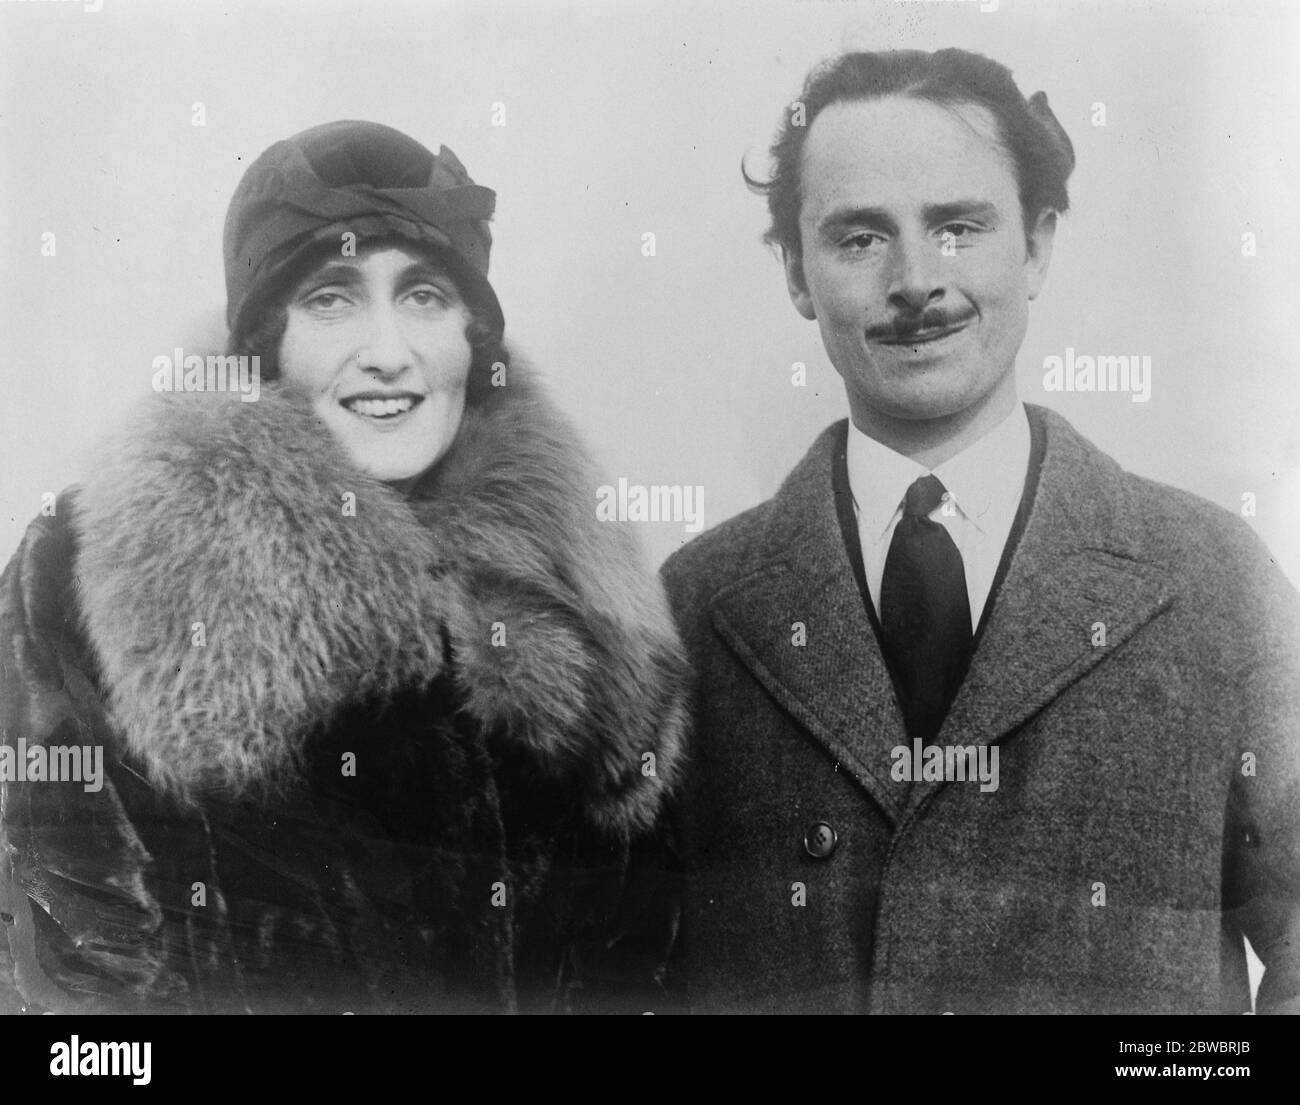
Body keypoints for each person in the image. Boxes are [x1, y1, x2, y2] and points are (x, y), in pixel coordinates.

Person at [660, 49, 1300, 1014]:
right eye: (860, 237)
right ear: (797, 272)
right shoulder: (694, 603)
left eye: (959, 227)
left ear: (1037, 247)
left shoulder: (1214, 579)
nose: (918, 281)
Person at [0, 120, 687, 1014]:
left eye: (427, 296)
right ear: (267, 343)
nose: (389, 352)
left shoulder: (592, 611)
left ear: (471, 337)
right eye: (331, 298)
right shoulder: (81, 571)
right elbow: (69, 985)